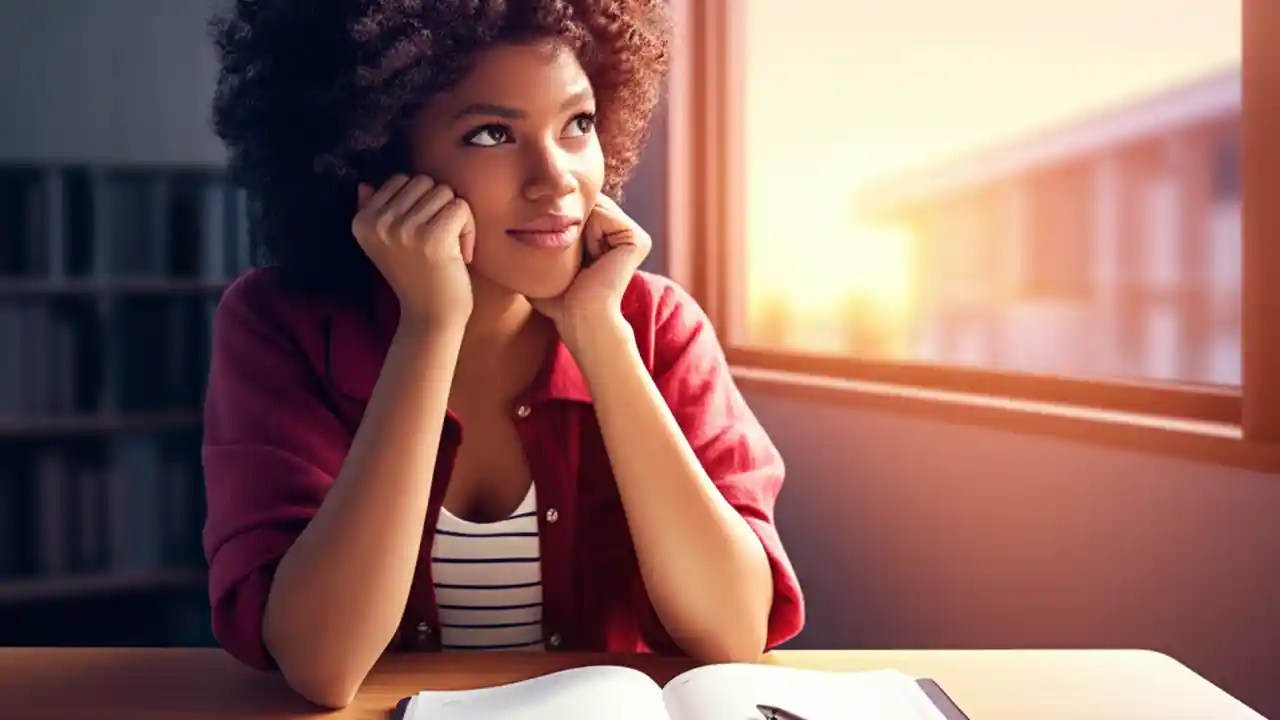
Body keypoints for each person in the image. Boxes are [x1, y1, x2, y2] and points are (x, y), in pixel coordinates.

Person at [201, 0, 804, 708]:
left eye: (577, 125)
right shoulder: (280, 325)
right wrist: (429, 327)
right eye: (491, 133)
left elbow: (733, 633)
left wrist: (602, 339)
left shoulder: (655, 325)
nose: (556, 180)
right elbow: (321, 665)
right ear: (381, 160)